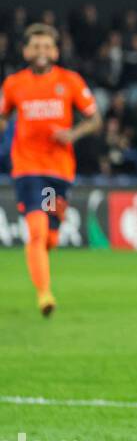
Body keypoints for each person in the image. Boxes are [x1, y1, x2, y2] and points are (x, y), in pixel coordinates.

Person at [0, 24, 103, 316]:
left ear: (56, 51)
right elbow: (3, 115)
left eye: (47, 46)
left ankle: (41, 261)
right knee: (37, 230)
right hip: (28, 169)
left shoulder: (69, 82)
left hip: (56, 172)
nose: (41, 51)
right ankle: (45, 295)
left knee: (51, 238)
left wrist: (73, 134)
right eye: (36, 46)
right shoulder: (14, 84)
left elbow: (95, 119)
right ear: (26, 51)